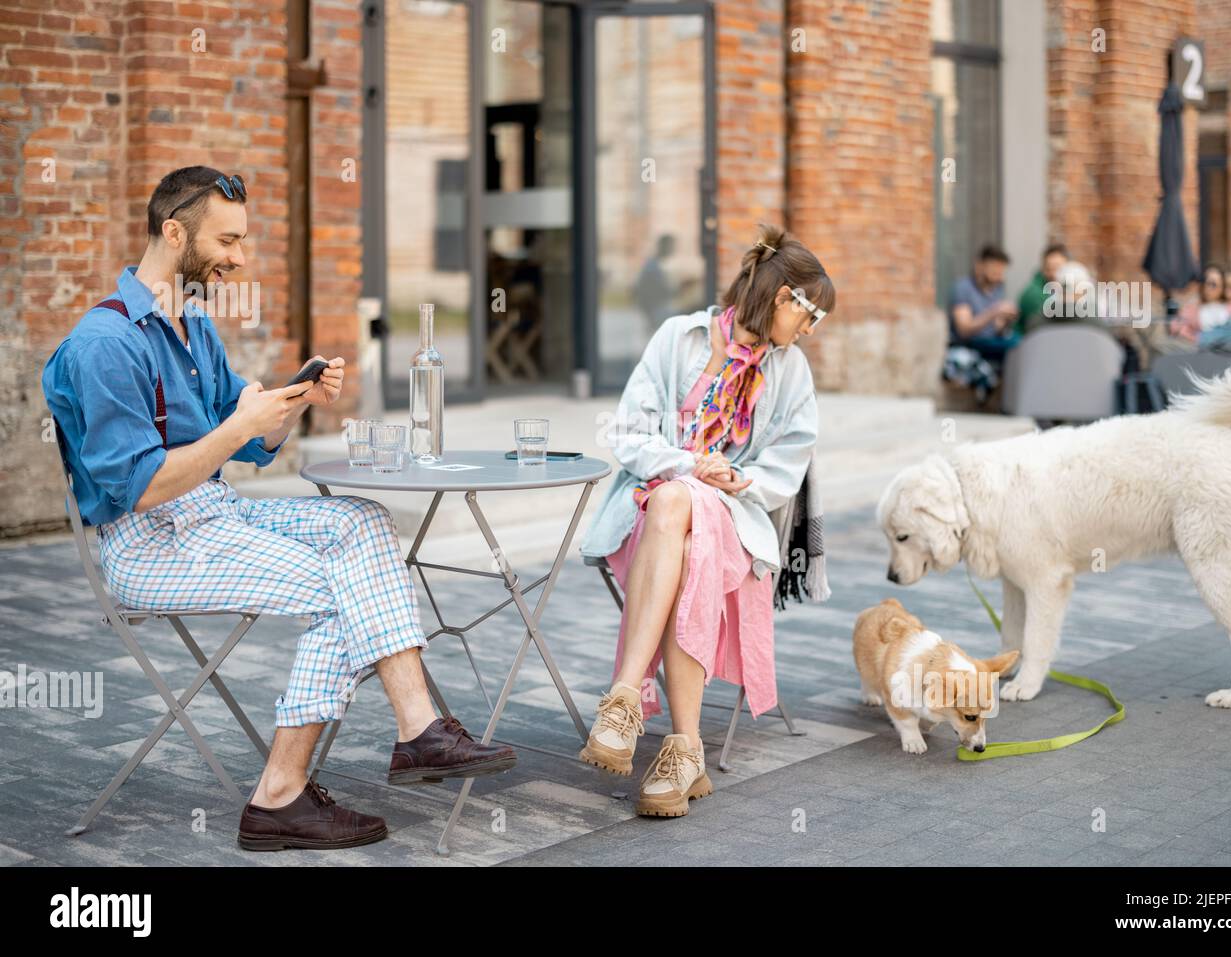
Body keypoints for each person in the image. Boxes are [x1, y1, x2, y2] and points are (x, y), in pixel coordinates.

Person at [42, 166, 514, 852]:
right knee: (333, 592)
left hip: (213, 512)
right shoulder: (104, 344)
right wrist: (238, 428)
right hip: (148, 543)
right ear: (174, 234)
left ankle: (420, 731)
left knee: (361, 520)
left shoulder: (192, 325)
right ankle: (278, 797)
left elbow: (254, 436)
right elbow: (140, 487)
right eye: (227, 241)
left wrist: (293, 403)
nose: (239, 257)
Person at [577, 224, 832, 818]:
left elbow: (786, 465)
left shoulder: (790, 371)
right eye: (810, 313)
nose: (811, 330)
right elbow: (629, 434)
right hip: (650, 520)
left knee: (681, 506)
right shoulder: (678, 338)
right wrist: (690, 464)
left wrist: (740, 479)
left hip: (734, 520)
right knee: (675, 509)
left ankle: (623, 702)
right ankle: (683, 748)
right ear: (780, 298)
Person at [943, 244, 1017, 405]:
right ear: (980, 266)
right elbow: (964, 329)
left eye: (1001, 272)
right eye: (994, 270)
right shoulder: (963, 288)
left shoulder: (997, 289)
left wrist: (1005, 320)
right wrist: (993, 311)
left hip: (992, 343)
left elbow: (996, 329)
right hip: (971, 344)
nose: (998, 276)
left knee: (1020, 343)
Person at [1016, 242, 1069, 336]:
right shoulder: (1032, 294)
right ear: (1043, 269)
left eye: (1058, 268)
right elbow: (1050, 324)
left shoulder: (1068, 286)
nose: (1053, 274)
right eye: (1049, 269)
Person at [634, 234, 679, 338]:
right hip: (655, 312)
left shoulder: (654, 265)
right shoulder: (652, 267)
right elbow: (658, 292)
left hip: (655, 312)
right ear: (664, 247)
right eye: (672, 246)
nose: (673, 250)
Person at [1171, 264, 1228, 343]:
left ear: (1222, 287)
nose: (1207, 287)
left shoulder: (1230, 309)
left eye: (1213, 284)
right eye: (1205, 282)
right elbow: (1175, 327)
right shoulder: (1192, 307)